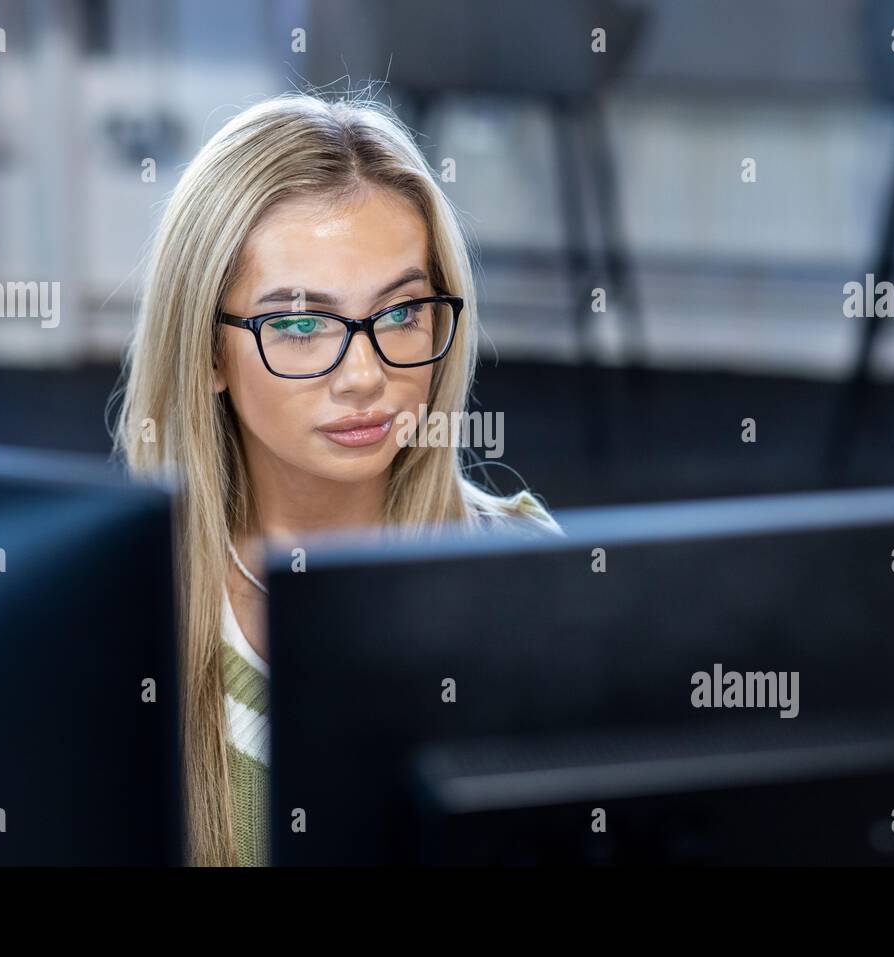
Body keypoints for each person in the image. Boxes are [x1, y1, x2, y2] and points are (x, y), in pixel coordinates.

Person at [114, 91, 560, 866]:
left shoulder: (522, 565)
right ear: (208, 351)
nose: (363, 376)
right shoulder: (123, 616)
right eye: (298, 323)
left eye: (401, 314)